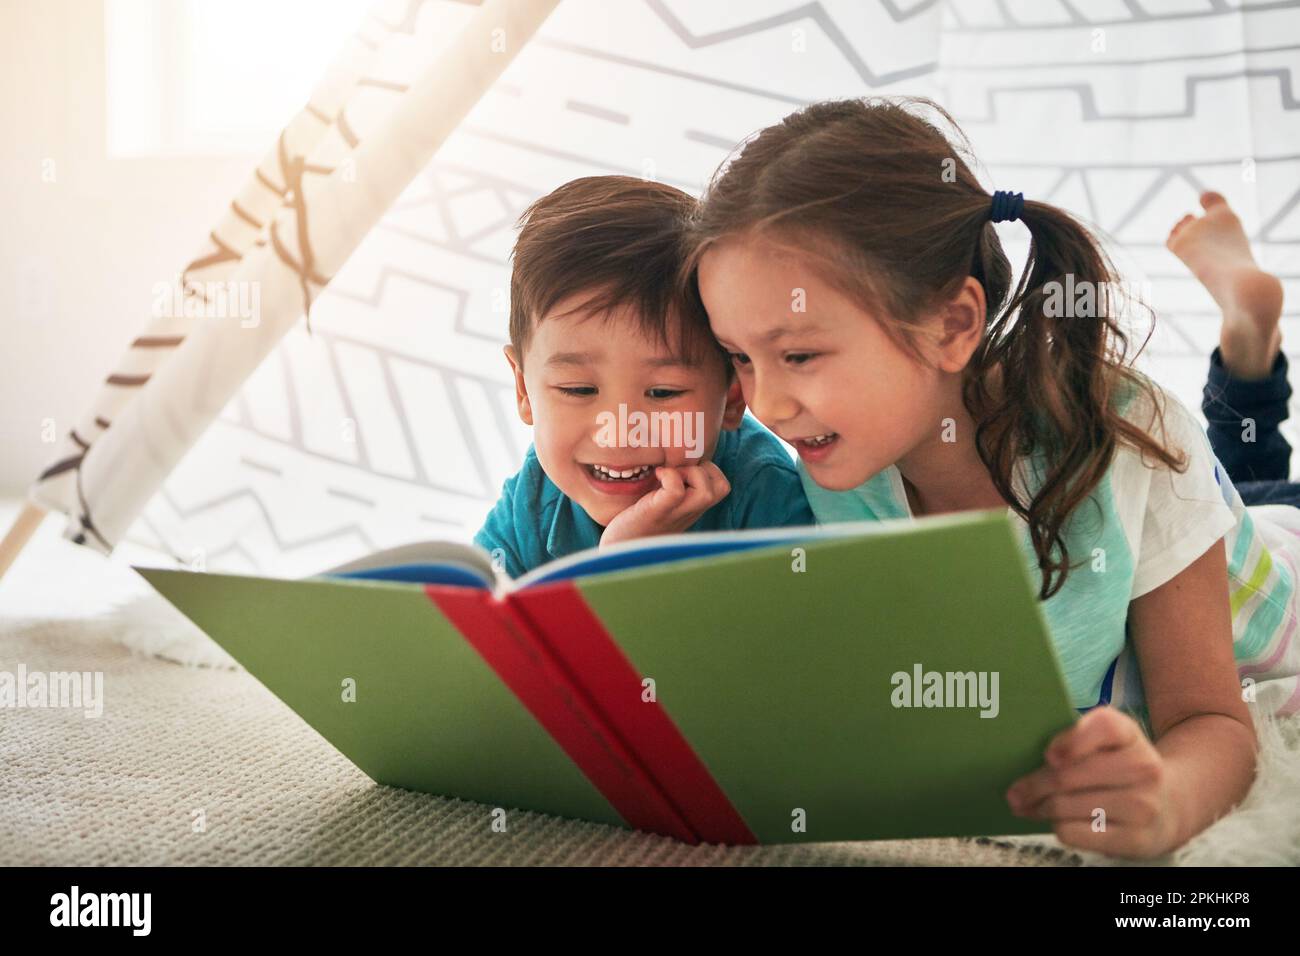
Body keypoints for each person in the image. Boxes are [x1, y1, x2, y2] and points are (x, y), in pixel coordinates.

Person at [683, 95, 1298, 859]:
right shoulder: (835, 469)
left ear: (951, 325)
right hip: (1190, 513)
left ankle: (1249, 346)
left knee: (1257, 478)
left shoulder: (1128, 443)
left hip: (1260, 573)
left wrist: (1167, 804)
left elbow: (1209, 722)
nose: (766, 402)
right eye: (741, 357)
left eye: (799, 355)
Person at [473, 175, 813, 580]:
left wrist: (627, 565)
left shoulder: (766, 497)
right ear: (523, 390)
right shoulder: (530, 505)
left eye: (663, 392)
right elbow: (473, 630)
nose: (618, 433)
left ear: (734, 396)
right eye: (578, 389)